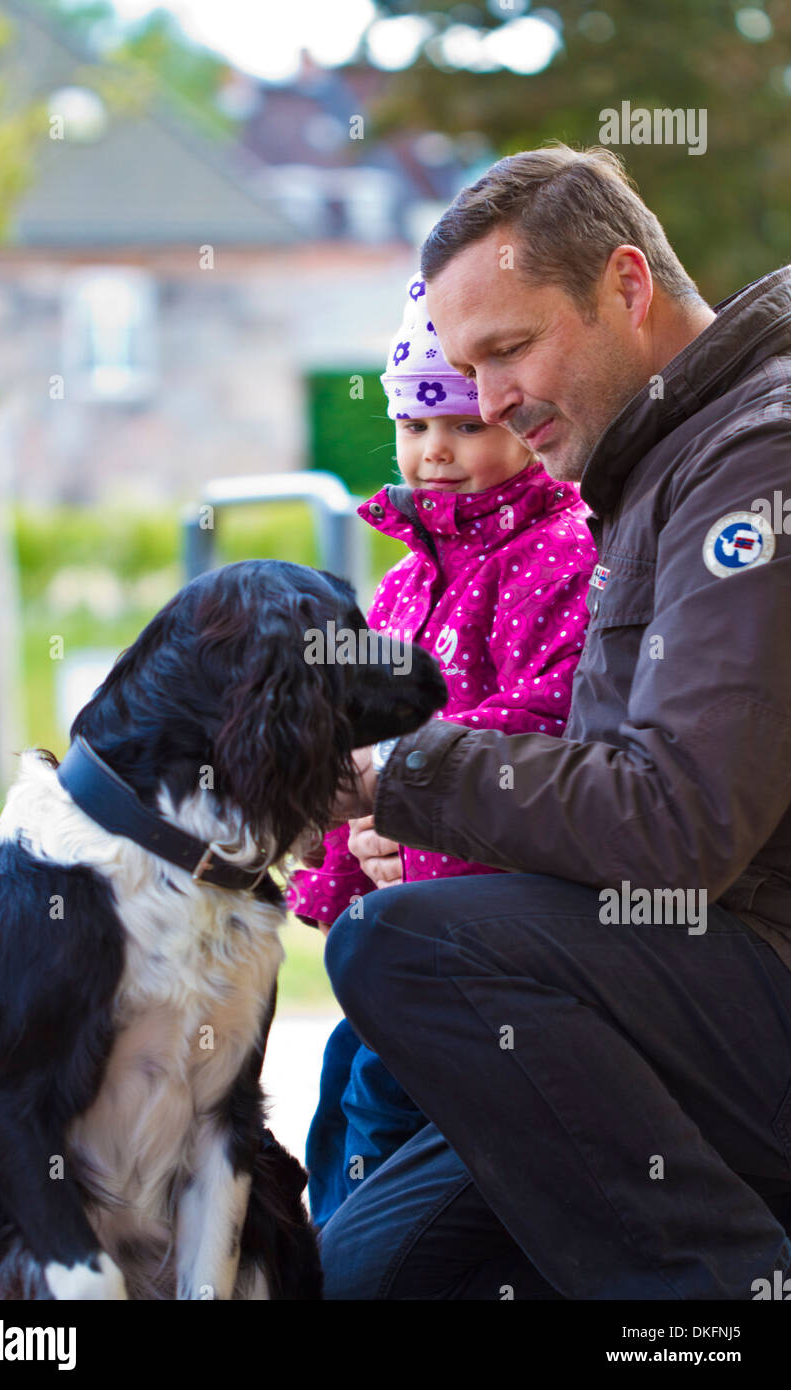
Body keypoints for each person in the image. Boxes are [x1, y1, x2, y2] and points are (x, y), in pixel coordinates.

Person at [315, 144, 791, 1300]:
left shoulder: (751, 464)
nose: (483, 405)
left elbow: (679, 820)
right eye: (463, 367)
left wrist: (392, 769)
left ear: (626, 287)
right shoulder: (652, 463)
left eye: (508, 349)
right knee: (362, 1276)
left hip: (750, 973)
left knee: (405, 942)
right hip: (670, 980)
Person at [287, 271, 596, 1226]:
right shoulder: (399, 588)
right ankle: (331, 1249)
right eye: (416, 428)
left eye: (465, 425)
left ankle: (364, 1255)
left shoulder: (560, 554)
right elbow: (359, 744)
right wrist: (334, 861)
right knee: (345, 1088)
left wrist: (409, 808)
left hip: (487, 919)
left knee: (394, 1109)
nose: (437, 454)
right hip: (400, 918)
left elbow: (547, 718)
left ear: (524, 420)